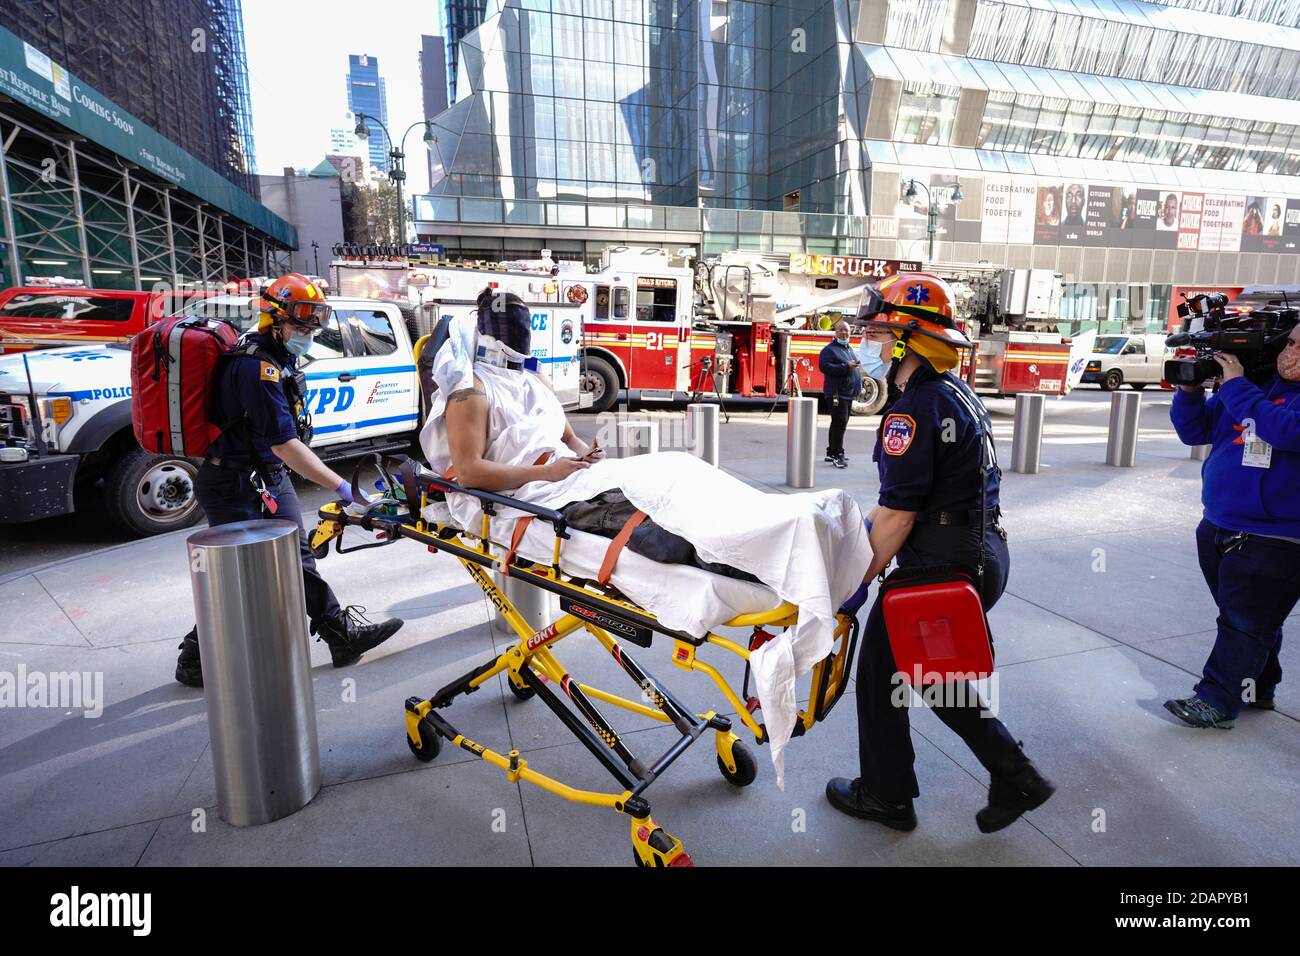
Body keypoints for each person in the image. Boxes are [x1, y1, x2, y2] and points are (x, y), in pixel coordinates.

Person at [825, 272, 1054, 834]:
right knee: (927, 673)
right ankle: (1016, 776)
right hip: (977, 554)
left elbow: (900, 516)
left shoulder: (913, 410)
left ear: (906, 340)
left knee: (882, 677)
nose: (868, 345)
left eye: (878, 334)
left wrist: (852, 586)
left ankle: (887, 796)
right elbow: (898, 506)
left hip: (938, 568)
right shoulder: (950, 394)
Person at [175, 273, 403, 687]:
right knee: (238, 575)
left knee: (297, 561)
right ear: (274, 319)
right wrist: (342, 487)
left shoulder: (278, 356)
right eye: (300, 327)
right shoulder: (254, 368)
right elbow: (283, 443)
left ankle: (339, 635)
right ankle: (196, 658)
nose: (308, 334)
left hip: (262, 478)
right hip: (236, 484)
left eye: (312, 327)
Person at [1165, 321, 1300, 728]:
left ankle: (1218, 701)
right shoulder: (1253, 385)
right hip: (1218, 524)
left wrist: (1237, 386)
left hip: (1277, 537)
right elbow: (1195, 431)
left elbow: (1283, 430)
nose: (1291, 353)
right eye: (1291, 342)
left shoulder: (1244, 388)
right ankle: (1258, 686)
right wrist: (1189, 391)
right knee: (1250, 619)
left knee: (1243, 621)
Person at [817, 320, 862, 468]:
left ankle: (831, 452)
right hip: (837, 393)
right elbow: (824, 367)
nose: (844, 333)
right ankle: (838, 454)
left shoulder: (849, 349)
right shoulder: (829, 350)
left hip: (848, 393)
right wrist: (845, 366)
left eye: (846, 330)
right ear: (835, 332)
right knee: (840, 423)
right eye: (841, 330)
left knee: (840, 422)